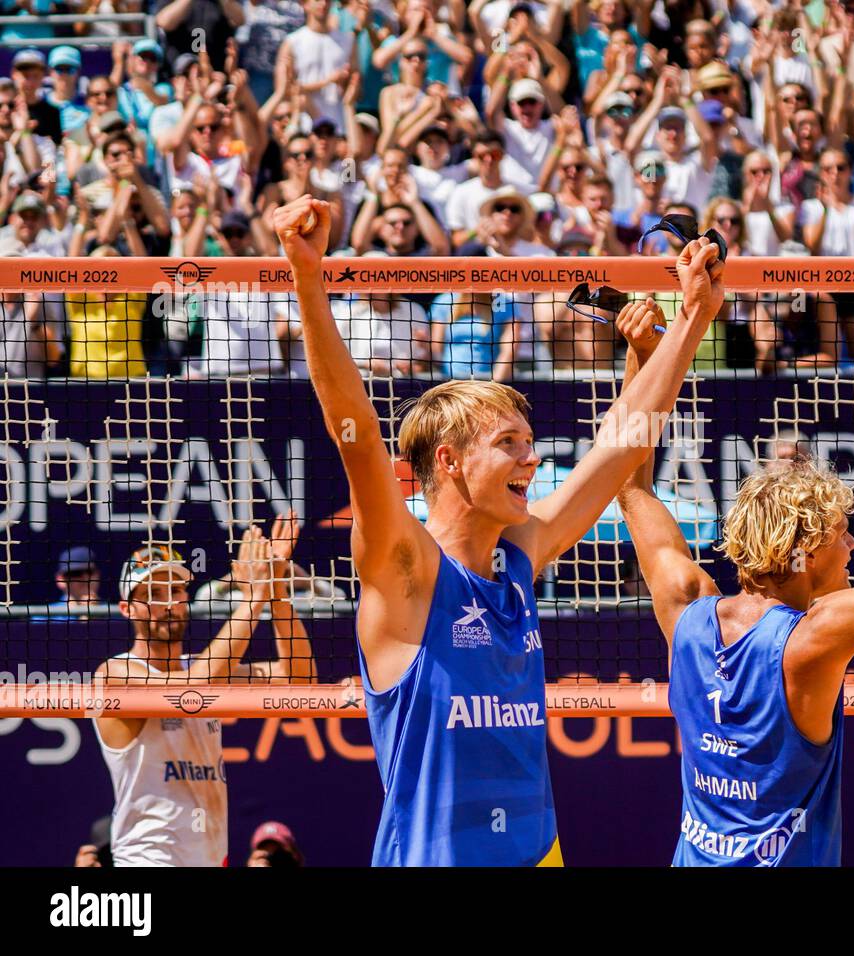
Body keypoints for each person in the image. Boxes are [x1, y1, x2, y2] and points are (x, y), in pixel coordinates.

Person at [273, 192, 724, 867]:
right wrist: (309, 279)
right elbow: (357, 435)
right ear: (449, 463)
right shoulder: (408, 569)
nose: (532, 458)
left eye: (529, 441)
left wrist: (693, 319)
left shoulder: (518, 555)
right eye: (510, 443)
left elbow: (624, 444)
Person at [615, 308, 854, 865]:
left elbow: (629, 482)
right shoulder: (809, 642)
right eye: (843, 535)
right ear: (805, 555)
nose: (853, 547)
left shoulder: (686, 608)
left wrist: (643, 356)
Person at [92, 514, 316, 867]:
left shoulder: (206, 667)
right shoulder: (115, 673)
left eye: (176, 591)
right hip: (149, 859)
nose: (168, 604)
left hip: (211, 858)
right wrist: (252, 599)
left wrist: (275, 590)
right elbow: (194, 689)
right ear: (126, 608)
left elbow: (300, 681)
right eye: (152, 594)